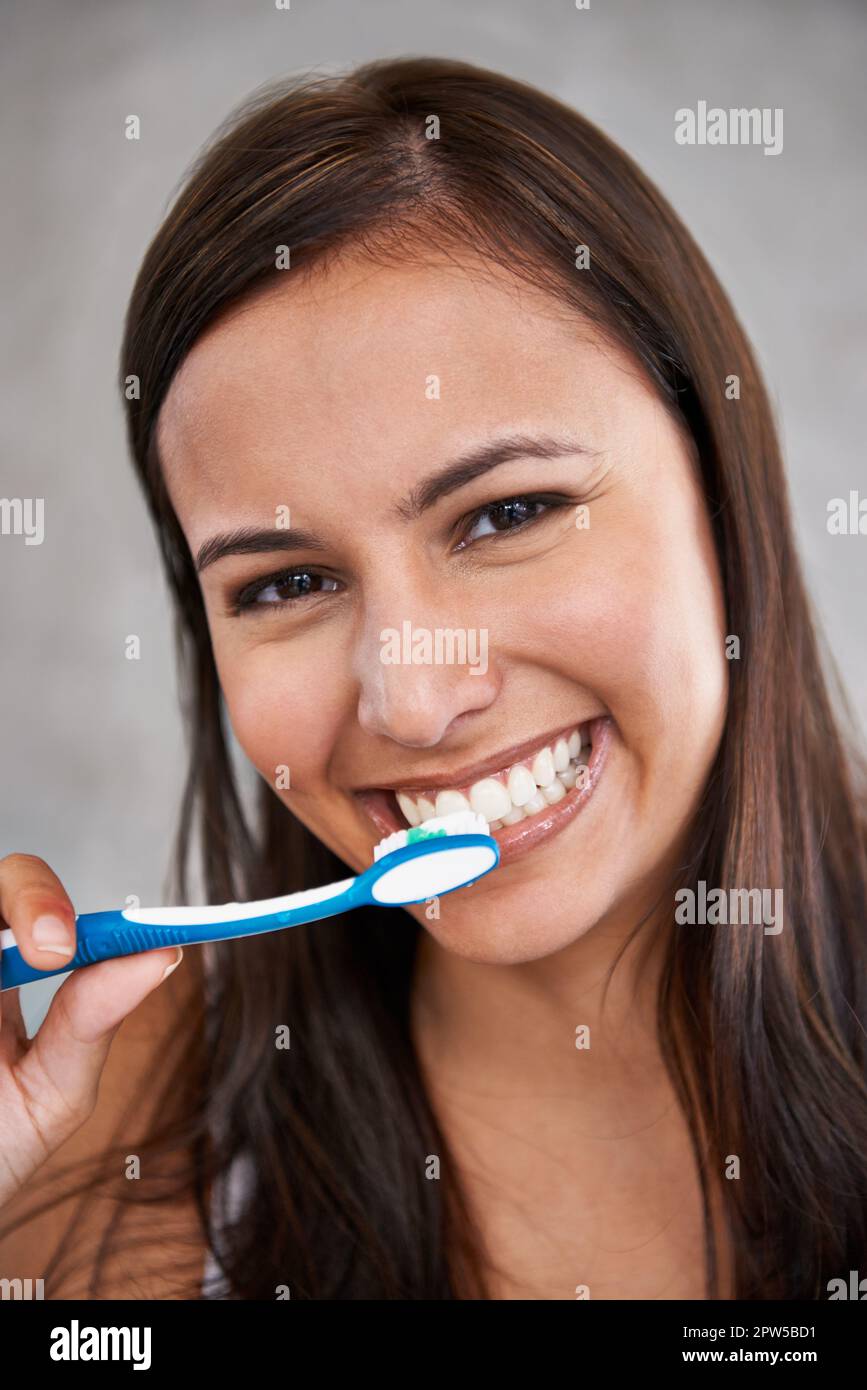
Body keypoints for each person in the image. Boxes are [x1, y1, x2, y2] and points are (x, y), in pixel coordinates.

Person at [1, 57, 865, 1301]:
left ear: (722, 497)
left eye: (507, 511)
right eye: (286, 583)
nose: (413, 701)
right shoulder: (106, 1141)